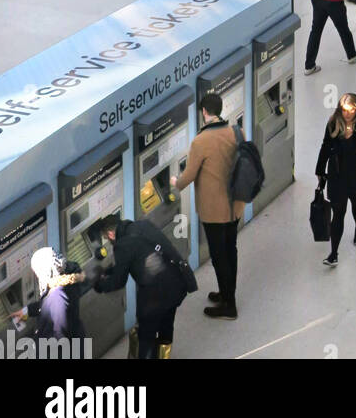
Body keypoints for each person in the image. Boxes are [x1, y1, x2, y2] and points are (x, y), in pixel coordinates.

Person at [170, 91, 242, 321]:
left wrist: (175, 183)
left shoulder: (201, 141)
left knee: (219, 256)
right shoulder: (236, 131)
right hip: (235, 204)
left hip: (214, 209)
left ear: (204, 112)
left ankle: (229, 305)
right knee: (231, 250)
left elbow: (188, 176)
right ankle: (227, 294)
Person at [88, 215, 192, 360]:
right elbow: (136, 257)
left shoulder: (122, 245)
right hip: (176, 282)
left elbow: (118, 281)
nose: (108, 241)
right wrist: (109, 271)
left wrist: (98, 285)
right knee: (166, 326)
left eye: (106, 237)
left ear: (111, 234)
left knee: (146, 337)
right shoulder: (143, 225)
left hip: (156, 295)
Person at [315, 94, 356, 267]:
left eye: (351, 110)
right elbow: (325, 146)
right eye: (344, 110)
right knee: (338, 213)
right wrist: (320, 170)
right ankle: (334, 253)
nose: (347, 114)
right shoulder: (332, 124)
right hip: (337, 175)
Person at [25, 248, 87, 348]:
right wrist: (26, 311)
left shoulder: (56, 295)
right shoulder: (68, 280)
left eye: (37, 272)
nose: (37, 276)